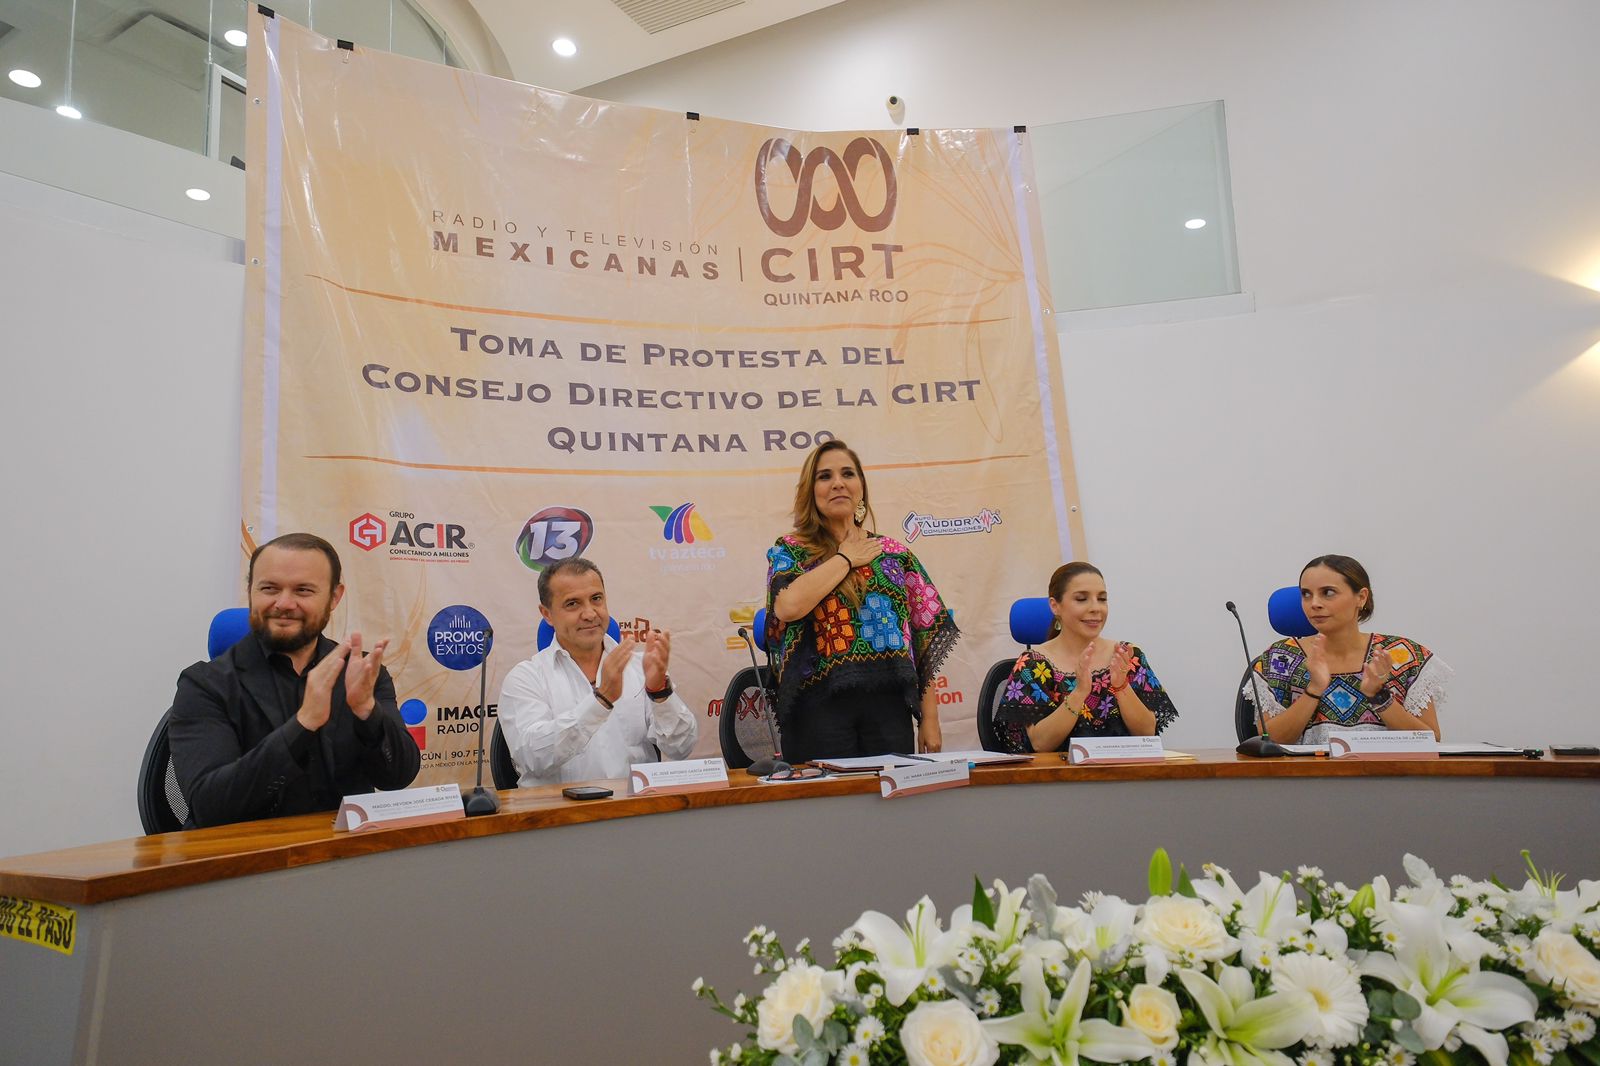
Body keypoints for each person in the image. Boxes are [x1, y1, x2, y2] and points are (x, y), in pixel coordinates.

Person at [169, 533, 421, 828]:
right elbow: (211, 806)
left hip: (345, 857)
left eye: (303, 590)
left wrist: (367, 711)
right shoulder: (203, 685)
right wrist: (303, 724)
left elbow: (398, 777)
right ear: (251, 591)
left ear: (334, 596)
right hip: (247, 860)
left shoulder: (361, 671)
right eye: (269, 588)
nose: (284, 603)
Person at [765, 440, 959, 762]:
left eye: (848, 474)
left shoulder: (894, 553)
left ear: (861, 488)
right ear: (810, 491)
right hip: (816, 710)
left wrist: (930, 719)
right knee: (830, 810)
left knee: (891, 810)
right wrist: (846, 557)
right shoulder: (791, 549)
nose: (838, 482)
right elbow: (787, 606)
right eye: (824, 476)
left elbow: (922, 637)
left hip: (889, 709)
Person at [498, 557, 696, 786]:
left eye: (596, 599)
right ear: (547, 614)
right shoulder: (525, 678)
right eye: (573, 604)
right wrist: (600, 701)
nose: (590, 613)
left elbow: (681, 748)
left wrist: (660, 692)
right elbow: (533, 758)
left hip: (636, 812)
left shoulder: (640, 667)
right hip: (558, 816)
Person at [1244, 554, 1449, 745]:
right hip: (1308, 781)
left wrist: (1379, 696)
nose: (1314, 603)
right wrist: (1313, 689)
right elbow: (1269, 743)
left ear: (1361, 597)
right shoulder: (1282, 658)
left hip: (1388, 780)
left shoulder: (1402, 655)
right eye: (1306, 594)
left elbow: (1429, 741)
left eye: (1328, 593)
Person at [992, 562, 1178, 753]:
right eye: (1082, 599)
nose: (1096, 608)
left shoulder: (1128, 656)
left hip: (1123, 776)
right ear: (1055, 606)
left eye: (1102, 599)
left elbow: (1147, 734)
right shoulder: (1033, 664)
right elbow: (1040, 744)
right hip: (1063, 780)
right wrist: (1079, 692)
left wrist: (1122, 686)